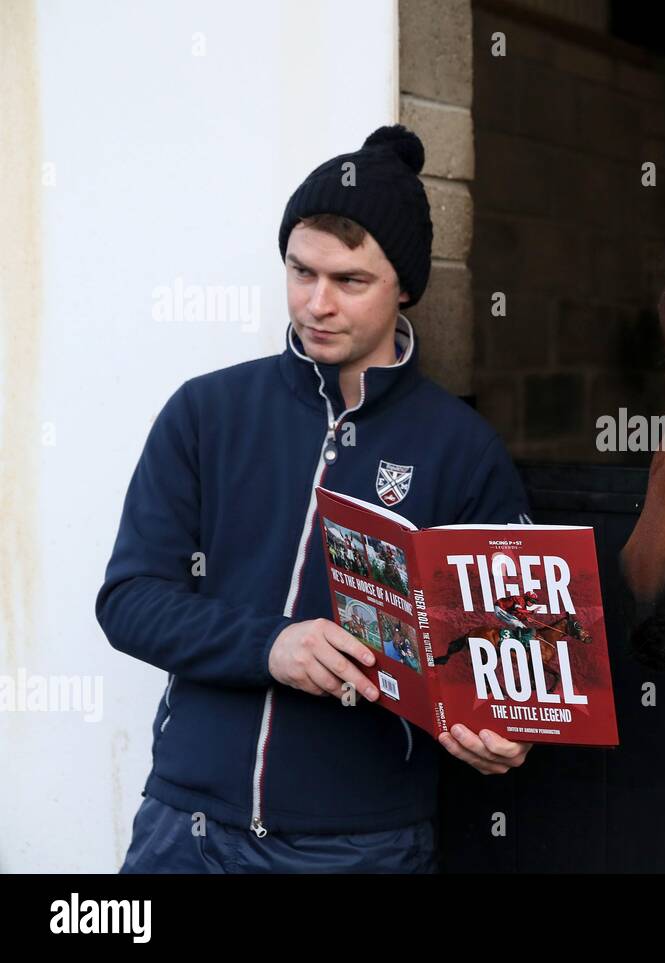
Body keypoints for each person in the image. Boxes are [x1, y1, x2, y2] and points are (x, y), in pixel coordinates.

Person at [97, 125, 533, 873]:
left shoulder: (464, 450)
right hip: (185, 831)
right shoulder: (206, 413)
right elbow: (129, 599)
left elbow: (513, 651)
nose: (317, 303)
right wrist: (271, 645)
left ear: (405, 287)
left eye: (350, 281)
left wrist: (503, 726)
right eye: (301, 271)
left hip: (361, 847)